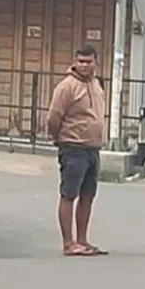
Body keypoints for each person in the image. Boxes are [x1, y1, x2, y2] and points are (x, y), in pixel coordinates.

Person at [46, 44, 109, 257]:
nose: (84, 65)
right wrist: (58, 139)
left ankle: (82, 240)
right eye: (80, 61)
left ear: (95, 62)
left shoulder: (97, 85)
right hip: (73, 147)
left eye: (88, 61)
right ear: (75, 62)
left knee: (88, 195)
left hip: (93, 148)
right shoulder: (67, 87)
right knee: (69, 194)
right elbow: (54, 117)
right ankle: (68, 243)